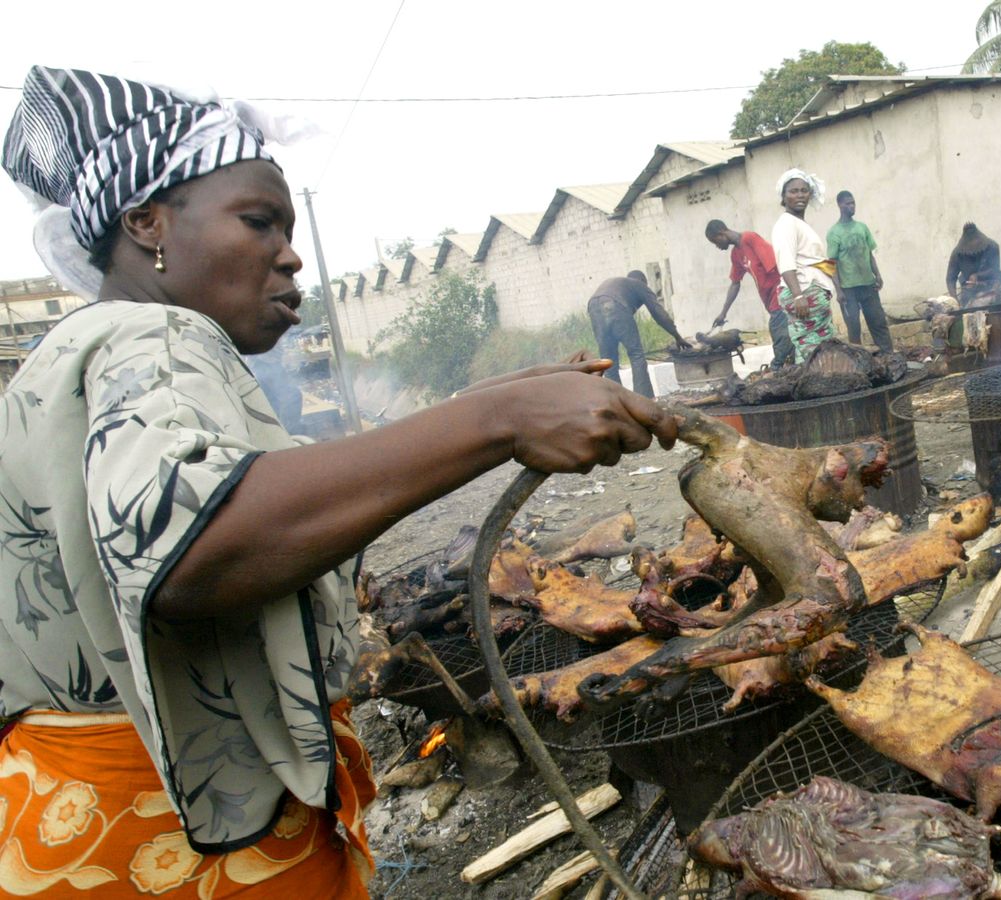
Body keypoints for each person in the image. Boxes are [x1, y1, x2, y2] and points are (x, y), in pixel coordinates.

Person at [0, 66, 677, 898]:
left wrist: (490, 402)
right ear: (147, 222)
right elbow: (193, 549)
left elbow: (266, 485)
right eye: (258, 221)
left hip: (72, 823)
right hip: (177, 846)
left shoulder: (76, 352)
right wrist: (495, 423)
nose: (289, 256)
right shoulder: (158, 337)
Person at [585, 270, 689, 398]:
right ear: (643, 281)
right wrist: (677, 336)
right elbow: (658, 313)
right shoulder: (639, 284)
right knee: (636, 354)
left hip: (593, 307)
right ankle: (643, 399)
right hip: (616, 305)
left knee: (608, 361)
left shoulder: (620, 284)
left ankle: (616, 401)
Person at [770, 169, 839, 363]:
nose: (800, 195)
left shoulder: (801, 224)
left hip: (811, 289)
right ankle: (820, 386)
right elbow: (786, 263)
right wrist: (798, 295)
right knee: (816, 351)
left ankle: (811, 385)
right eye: (793, 191)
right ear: (783, 197)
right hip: (803, 291)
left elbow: (819, 260)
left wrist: (839, 288)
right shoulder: (786, 224)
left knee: (811, 348)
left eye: (804, 190)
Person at [705, 219, 795, 367]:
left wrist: (786, 295)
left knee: (779, 333)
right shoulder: (736, 254)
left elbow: (775, 266)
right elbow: (735, 283)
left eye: (715, 242)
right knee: (782, 335)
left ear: (721, 233)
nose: (717, 246)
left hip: (779, 295)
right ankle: (790, 365)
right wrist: (723, 313)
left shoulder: (750, 238)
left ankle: (778, 367)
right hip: (770, 302)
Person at [826, 191, 892, 352]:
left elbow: (869, 254)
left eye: (853, 203)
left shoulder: (862, 228)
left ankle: (889, 356)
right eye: (848, 203)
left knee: (879, 323)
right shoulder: (834, 233)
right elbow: (831, 264)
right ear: (840, 205)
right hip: (848, 290)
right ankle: (859, 364)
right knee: (854, 329)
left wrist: (878, 275)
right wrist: (838, 291)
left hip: (868, 286)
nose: (852, 206)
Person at [945, 222, 1001, 307]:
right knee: (969, 313)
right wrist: (954, 300)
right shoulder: (957, 253)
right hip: (969, 292)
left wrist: (977, 275)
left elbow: (995, 269)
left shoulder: (992, 246)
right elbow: (950, 279)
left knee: (993, 307)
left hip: (991, 287)